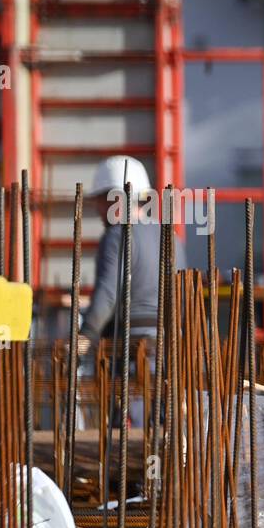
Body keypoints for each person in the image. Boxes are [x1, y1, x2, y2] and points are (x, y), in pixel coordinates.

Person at [77, 155, 184, 427]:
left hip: (134, 351)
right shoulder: (170, 235)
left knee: (131, 436)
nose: (99, 209)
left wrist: (84, 338)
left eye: (101, 200)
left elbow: (108, 295)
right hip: (173, 347)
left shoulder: (118, 235)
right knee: (164, 428)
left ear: (115, 199)